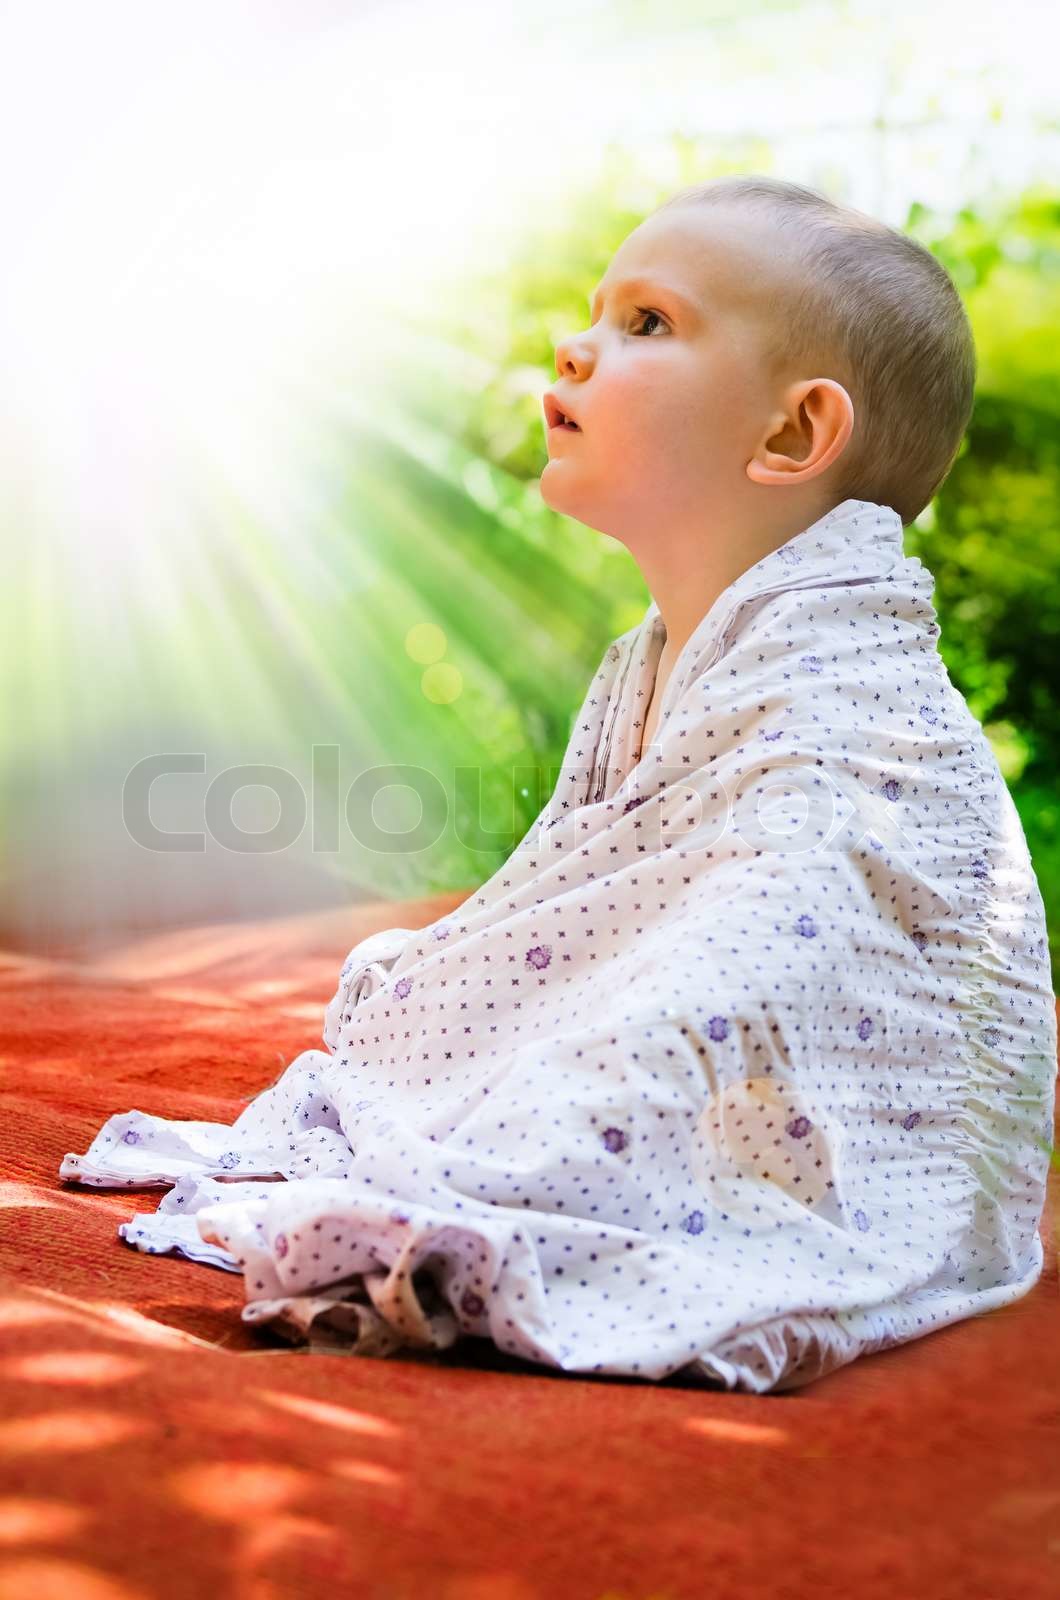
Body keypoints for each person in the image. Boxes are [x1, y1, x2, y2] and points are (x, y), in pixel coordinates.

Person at [59, 175, 1057, 1393]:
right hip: (715, 980)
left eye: (646, 322)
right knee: (428, 1007)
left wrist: (607, 1070)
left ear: (793, 435)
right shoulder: (655, 652)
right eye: (592, 314)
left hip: (823, 1063)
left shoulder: (851, 690)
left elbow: (789, 914)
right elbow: (595, 882)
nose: (574, 348)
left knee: (607, 1102)